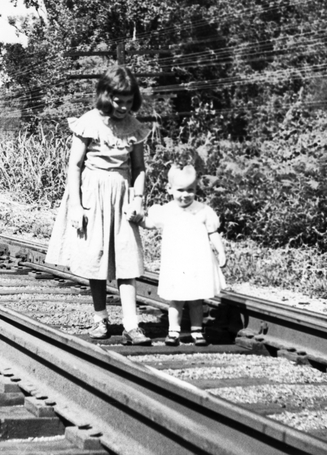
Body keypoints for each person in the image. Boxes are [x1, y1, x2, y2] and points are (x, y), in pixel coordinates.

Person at [46, 66, 152, 345]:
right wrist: (77, 206)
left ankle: (131, 325)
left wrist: (138, 200)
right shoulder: (90, 122)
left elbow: (139, 168)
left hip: (122, 197)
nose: (124, 106)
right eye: (119, 101)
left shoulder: (134, 126)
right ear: (107, 95)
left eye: (129, 101)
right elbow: (75, 166)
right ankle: (100, 319)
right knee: (97, 258)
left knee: (127, 259)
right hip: (92, 195)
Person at [139, 164, 226, 346]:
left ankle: (197, 331)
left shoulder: (203, 210)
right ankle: (173, 331)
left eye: (190, 190)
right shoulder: (166, 210)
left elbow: (213, 233)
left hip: (197, 263)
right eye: (180, 190)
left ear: (196, 189)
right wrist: (138, 219)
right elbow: (149, 223)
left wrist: (221, 252)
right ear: (169, 189)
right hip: (176, 263)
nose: (185, 194)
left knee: (196, 300)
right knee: (176, 300)